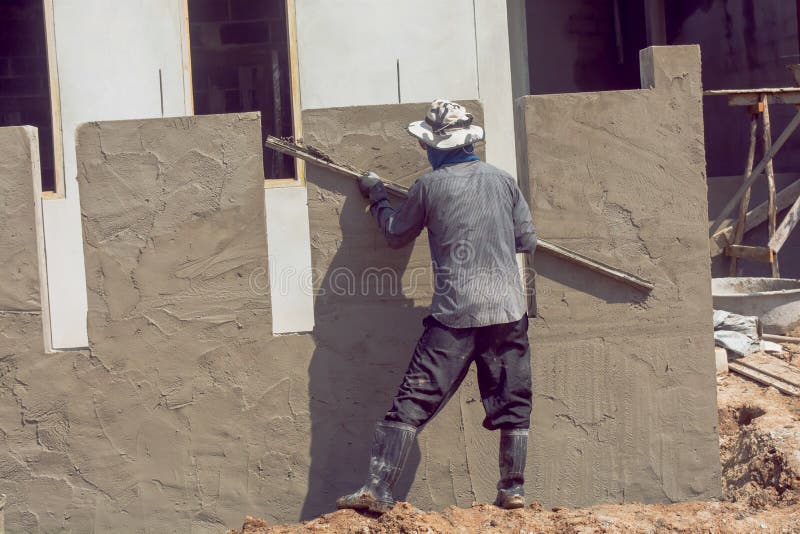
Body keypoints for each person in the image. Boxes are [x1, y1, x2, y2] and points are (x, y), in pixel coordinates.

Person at [336, 99, 538, 514]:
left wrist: (377, 196)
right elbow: (526, 241)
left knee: (415, 397)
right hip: (507, 310)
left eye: (426, 145)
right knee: (513, 398)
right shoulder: (503, 181)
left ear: (437, 146)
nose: (424, 151)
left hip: (455, 314)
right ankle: (512, 490)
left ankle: (377, 488)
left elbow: (395, 234)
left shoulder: (429, 187)